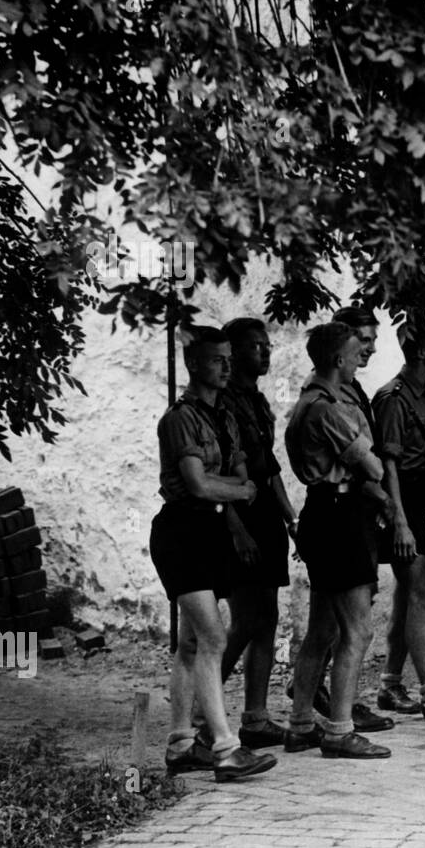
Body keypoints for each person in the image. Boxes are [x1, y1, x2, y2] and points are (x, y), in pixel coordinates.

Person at [150, 326, 277, 782]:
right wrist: (235, 490)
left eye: (228, 358)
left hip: (210, 531)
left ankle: (181, 744)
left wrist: (231, 490)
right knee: (214, 638)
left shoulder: (223, 415)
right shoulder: (180, 418)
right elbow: (203, 485)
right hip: (182, 533)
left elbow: (239, 478)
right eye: (216, 359)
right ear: (193, 365)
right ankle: (225, 748)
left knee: (189, 643)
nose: (226, 366)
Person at [283, 305, 396, 733]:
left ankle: (299, 724)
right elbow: (372, 466)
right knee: (358, 630)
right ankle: (341, 729)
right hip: (341, 516)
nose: (359, 360)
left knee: (322, 630)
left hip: (324, 512)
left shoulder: (307, 401)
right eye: (354, 353)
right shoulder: (327, 408)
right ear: (337, 360)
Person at [204, 317, 298, 750]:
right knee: (244, 621)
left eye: (267, 345)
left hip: (265, 516)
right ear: (235, 352)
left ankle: (255, 718)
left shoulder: (258, 402)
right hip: (236, 515)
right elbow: (215, 474)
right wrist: (236, 528)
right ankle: (204, 719)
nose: (265, 352)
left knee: (268, 617)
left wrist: (290, 518)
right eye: (256, 346)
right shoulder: (222, 405)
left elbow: (270, 466)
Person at [372, 316, 425, 721]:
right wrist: (398, 520)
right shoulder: (393, 397)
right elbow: (387, 463)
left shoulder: (424, 393)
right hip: (404, 499)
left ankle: (389, 683)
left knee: (409, 592)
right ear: (422, 351)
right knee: (419, 588)